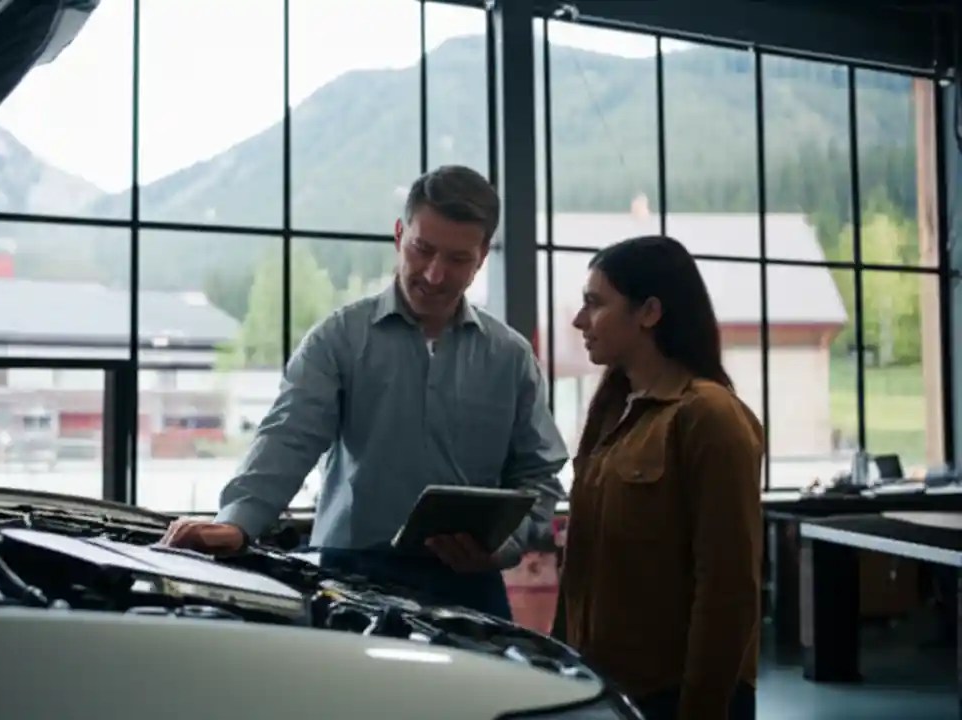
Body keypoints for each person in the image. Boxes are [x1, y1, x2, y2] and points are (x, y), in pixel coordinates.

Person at [160, 165, 568, 619]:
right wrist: (237, 522)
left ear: (482, 257)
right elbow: (289, 435)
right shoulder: (338, 339)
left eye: (457, 260)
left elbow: (539, 472)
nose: (434, 275)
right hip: (350, 576)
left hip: (469, 582)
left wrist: (506, 546)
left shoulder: (511, 357)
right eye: (422, 249)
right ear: (399, 235)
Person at [557, 235, 763, 720]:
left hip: (679, 696)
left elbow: (728, 588)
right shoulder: (610, 412)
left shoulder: (709, 416)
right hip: (605, 687)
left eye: (595, 304)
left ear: (649, 312)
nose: (579, 321)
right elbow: (582, 565)